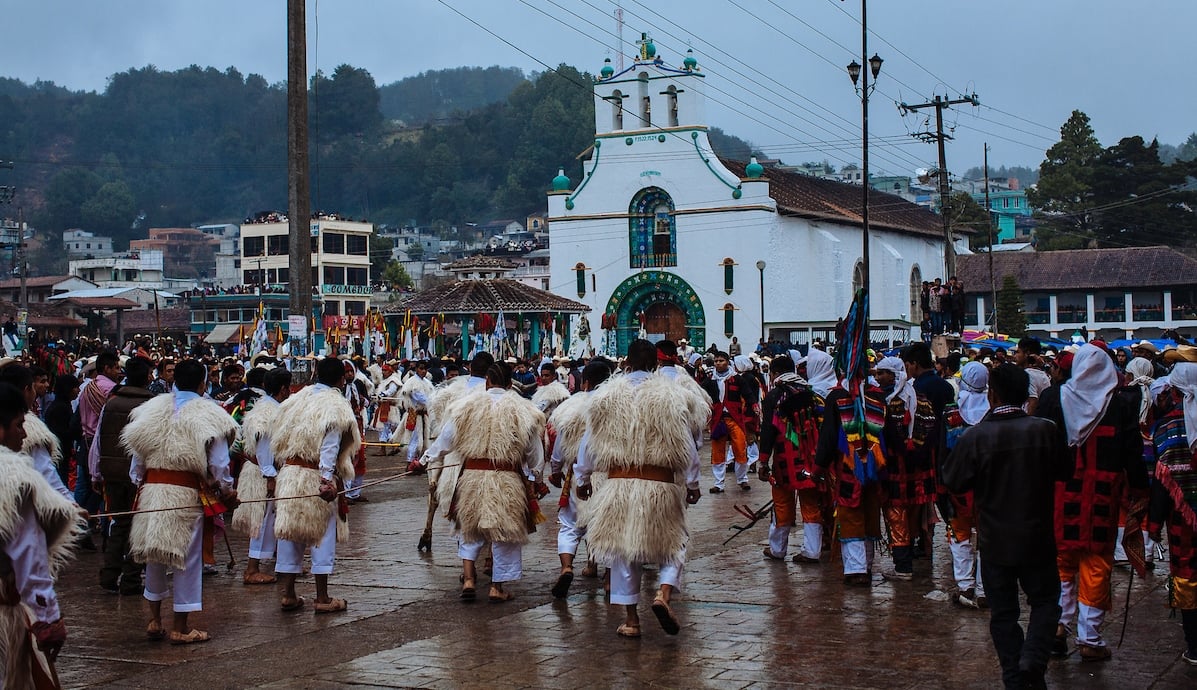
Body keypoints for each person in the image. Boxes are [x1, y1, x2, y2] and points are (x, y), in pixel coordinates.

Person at [943, 364, 1072, 689]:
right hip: (1037, 536)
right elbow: (1065, 471)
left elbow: (954, 480)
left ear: (992, 395)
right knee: (1045, 603)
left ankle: (1016, 676)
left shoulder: (975, 436)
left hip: (995, 539)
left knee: (1004, 614)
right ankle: (1032, 660)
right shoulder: (1045, 430)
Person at [574, 339, 705, 637]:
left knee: (623, 551)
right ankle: (663, 594)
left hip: (618, 484)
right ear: (656, 365)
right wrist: (693, 483)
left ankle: (632, 621)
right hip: (660, 485)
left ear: (626, 363)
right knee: (674, 543)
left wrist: (582, 480)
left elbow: (588, 445)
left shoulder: (605, 398)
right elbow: (688, 447)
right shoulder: (672, 396)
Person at [1035, 343, 1148, 661]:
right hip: (1102, 493)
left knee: (1062, 560)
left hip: (1061, 490)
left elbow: (1040, 447)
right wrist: (1140, 490)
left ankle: (1057, 628)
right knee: (1096, 562)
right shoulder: (1120, 403)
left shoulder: (1053, 398)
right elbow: (1133, 453)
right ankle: (1090, 638)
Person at [124, 358, 239, 644]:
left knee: (154, 554)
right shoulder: (211, 414)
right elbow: (220, 463)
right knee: (187, 560)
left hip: (152, 490)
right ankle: (180, 627)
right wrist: (226, 490)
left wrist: (143, 482)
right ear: (203, 384)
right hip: (185, 492)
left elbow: (137, 461)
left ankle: (154, 620)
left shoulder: (150, 410)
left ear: (174, 381)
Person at [419, 362, 544, 602]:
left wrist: (424, 459)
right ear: (510, 384)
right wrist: (536, 478)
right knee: (504, 532)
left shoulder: (465, 407)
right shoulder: (524, 410)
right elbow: (534, 452)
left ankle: (468, 579)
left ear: (487, 381)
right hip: (506, 479)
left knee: (470, 529)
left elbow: (445, 440)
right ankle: (496, 587)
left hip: (472, 478)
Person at [0, 383, 78, 689]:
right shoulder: (16, 480)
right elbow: (29, 560)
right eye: (19, 425)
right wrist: (48, 618)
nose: (24, 434)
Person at [272, 356, 360, 614]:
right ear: (341, 379)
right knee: (322, 534)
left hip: (289, 474)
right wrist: (326, 480)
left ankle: (289, 594)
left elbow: (278, 436)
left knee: (291, 533)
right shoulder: (336, 405)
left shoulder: (295, 399)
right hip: (315, 474)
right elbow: (330, 447)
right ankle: (322, 597)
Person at [88, 357, 156, 595]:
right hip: (140, 475)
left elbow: (98, 439)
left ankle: (109, 574)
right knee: (139, 526)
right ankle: (131, 579)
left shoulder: (112, 402)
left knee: (119, 523)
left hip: (112, 473)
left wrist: (96, 472)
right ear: (146, 378)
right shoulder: (151, 405)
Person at [1147, 355, 1197, 666]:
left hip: (1183, 518)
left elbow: (1161, 480)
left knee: (1189, 574)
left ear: (1176, 392)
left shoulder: (1167, 426)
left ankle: (1195, 645)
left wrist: (1154, 523)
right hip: (1183, 514)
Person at [548, 359, 612, 598]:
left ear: (585, 382)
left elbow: (559, 446)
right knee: (607, 525)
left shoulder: (570, 407)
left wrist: (556, 470)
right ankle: (608, 576)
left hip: (576, 473)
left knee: (569, 525)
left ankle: (567, 567)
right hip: (610, 474)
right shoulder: (618, 406)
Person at [757, 353, 826, 563]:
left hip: (784, 457)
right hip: (810, 456)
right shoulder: (811, 393)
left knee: (782, 503)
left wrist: (763, 460)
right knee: (810, 503)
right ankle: (812, 551)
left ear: (775, 373)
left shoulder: (774, 395)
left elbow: (768, 429)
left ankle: (777, 549)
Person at [231, 367, 292, 585]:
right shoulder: (267, 412)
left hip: (266, 471)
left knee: (271, 519)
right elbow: (264, 448)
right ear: (283, 389)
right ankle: (252, 569)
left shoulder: (267, 407)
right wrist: (270, 476)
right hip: (263, 473)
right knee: (262, 521)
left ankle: (282, 564)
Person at [704, 353, 759, 493]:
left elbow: (748, 394)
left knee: (740, 448)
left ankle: (742, 479)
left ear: (727, 362)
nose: (718, 363)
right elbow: (701, 394)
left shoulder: (737, 379)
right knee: (717, 451)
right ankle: (718, 484)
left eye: (721, 360)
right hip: (718, 420)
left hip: (735, 419)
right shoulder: (710, 380)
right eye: (716, 361)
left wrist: (754, 405)